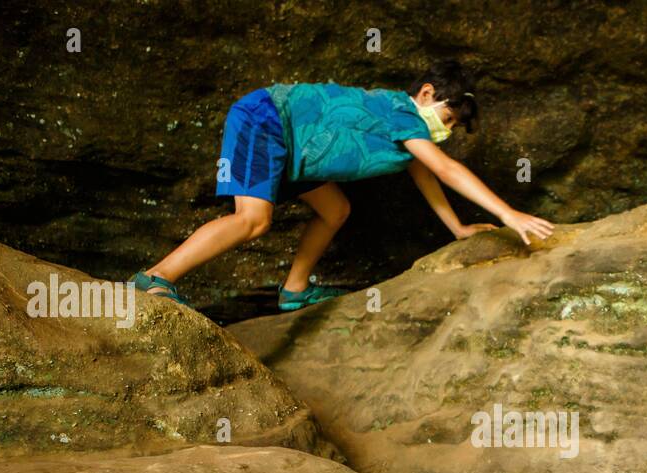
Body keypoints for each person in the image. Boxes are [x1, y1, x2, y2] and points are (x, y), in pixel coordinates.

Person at [131, 60, 552, 311]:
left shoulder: (410, 138)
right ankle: (155, 277)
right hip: (268, 120)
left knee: (336, 210)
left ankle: (294, 291)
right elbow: (444, 169)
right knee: (253, 221)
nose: (447, 132)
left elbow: (426, 174)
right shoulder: (400, 112)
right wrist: (507, 213)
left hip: (297, 151)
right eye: (448, 120)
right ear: (426, 94)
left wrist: (458, 229)